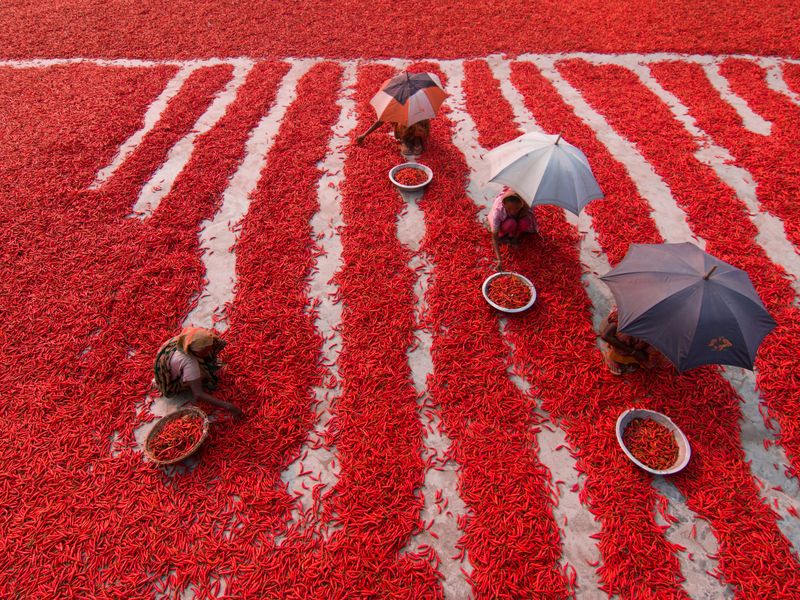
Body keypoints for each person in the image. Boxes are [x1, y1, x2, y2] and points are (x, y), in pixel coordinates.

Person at [153, 327, 243, 417]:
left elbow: (214, 342)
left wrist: (209, 348)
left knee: (215, 343)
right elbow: (198, 394)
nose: (208, 352)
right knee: (203, 373)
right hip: (171, 381)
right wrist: (229, 406)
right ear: (195, 351)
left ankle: (190, 371)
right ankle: (187, 380)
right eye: (204, 351)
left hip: (169, 364)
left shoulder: (186, 339)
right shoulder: (190, 361)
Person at [488, 189, 538, 270]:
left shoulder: (524, 204)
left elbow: (529, 211)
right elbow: (494, 239)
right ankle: (504, 236)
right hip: (504, 224)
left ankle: (514, 238)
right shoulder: (498, 211)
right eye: (509, 209)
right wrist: (499, 260)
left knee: (525, 222)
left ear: (521, 204)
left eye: (517, 208)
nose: (513, 211)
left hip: (516, 218)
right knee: (510, 224)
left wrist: (524, 211)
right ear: (504, 204)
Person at [599, 308, 659, 375]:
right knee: (624, 336)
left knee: (656, 351)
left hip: (638, 338)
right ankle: (613, 355)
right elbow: (605, 336)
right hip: (616, 333)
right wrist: (634, 352)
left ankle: (633, 359)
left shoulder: (656, 323)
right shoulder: (627, 314)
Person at [356, 119, 430, 155]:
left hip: (416, 127)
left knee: (420, 124)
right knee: (402, 124)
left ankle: (417, 139)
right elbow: (380, 121)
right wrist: (365, 134)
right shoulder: (396, 104)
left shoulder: (420, 103)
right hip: (403, 129)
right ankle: (403, 140)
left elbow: (426, 125)